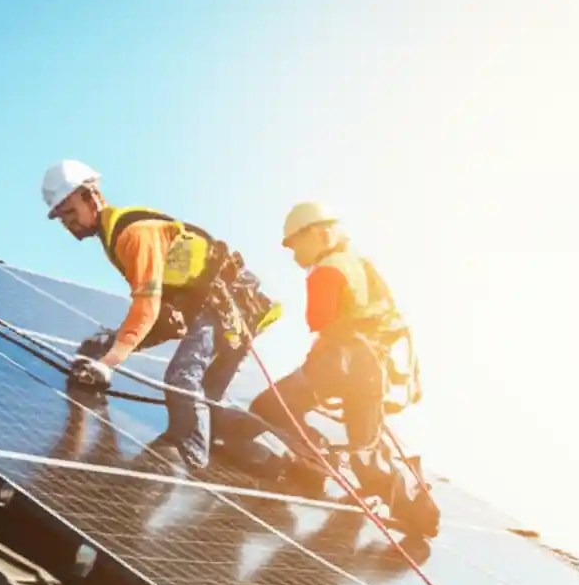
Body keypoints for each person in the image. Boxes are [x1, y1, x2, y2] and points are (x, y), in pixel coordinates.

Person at [40, 159, 280, 472]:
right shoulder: (115, 234)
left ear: (91, 195)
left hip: (230, 305)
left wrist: (109, 362)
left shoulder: (133, 235)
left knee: (183, 380)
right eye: (61, 217)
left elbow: (146, 307)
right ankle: (278, 461)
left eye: (70, 211)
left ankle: (183, 458)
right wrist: (103, 354)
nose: (67, 222)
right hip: (207, 304)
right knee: (200, 402)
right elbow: (159, 310)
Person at [216, 201, 436, 537]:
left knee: (269, 407)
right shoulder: (358, 262)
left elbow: (319, 320)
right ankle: (421, 517)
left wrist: (320, 364)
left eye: (294, 244)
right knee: (365, 449)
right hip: (372, 368)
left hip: (342, 364)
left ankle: (315, 461)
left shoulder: (328, 270)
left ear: (317, 233)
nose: (293, 255)